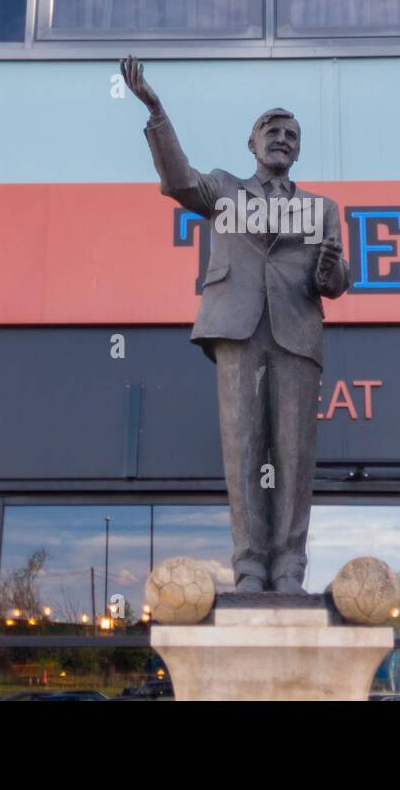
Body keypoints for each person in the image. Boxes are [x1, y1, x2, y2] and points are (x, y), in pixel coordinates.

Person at [122, 56, 349, 593]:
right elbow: (179, 181)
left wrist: (328, 267)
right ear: (252, 144)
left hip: (295, 333)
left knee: (293, 458)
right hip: (237, 331)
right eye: (272, 130)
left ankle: (290, 568)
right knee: (243, 449)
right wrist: (156, 111)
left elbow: (338, 280)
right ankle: (249, 566)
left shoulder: (321, 209)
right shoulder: (225, 189)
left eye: (292, 133)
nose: (283, 138)